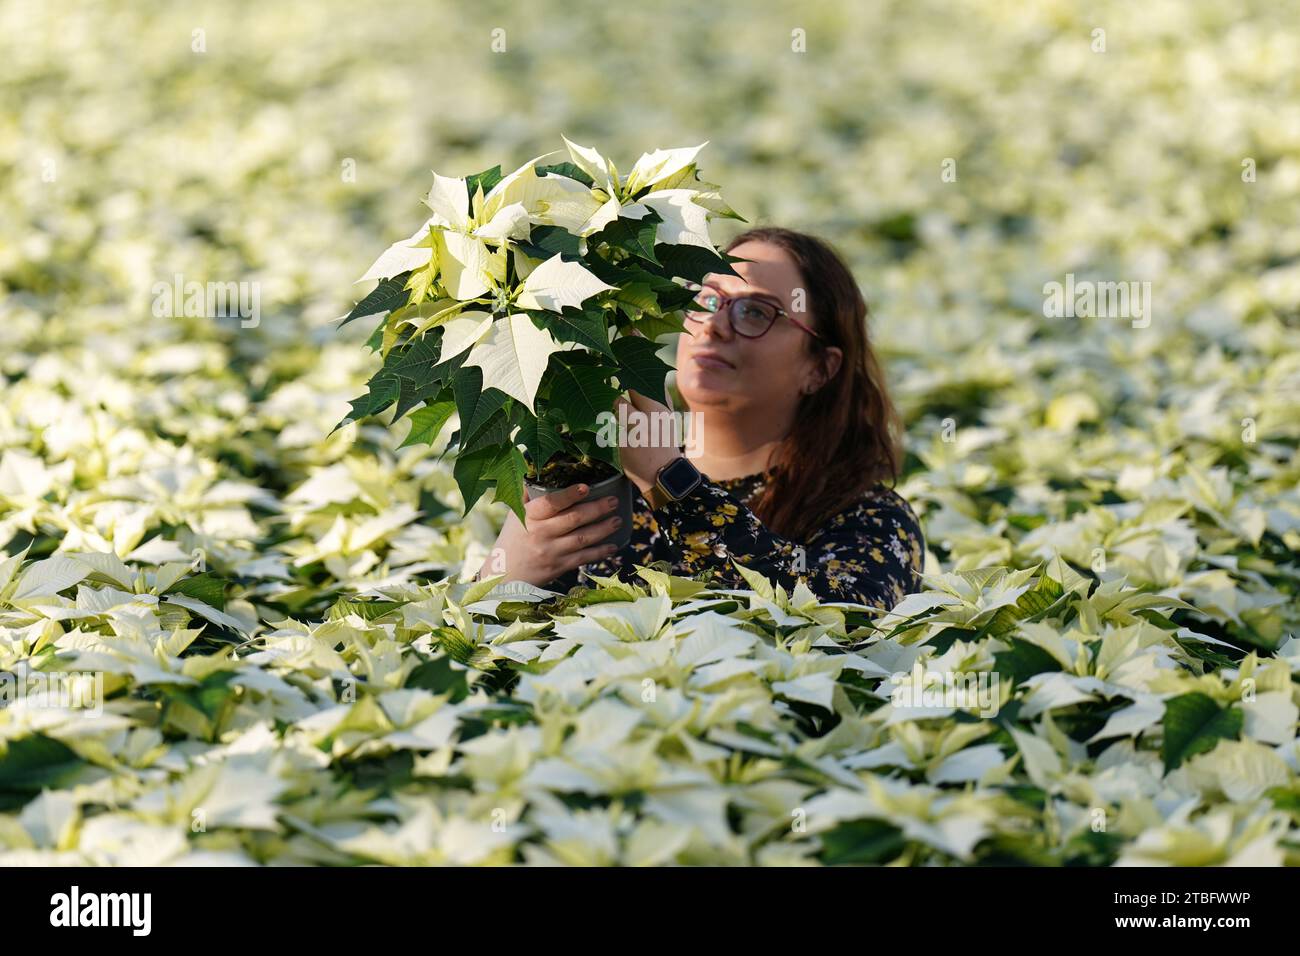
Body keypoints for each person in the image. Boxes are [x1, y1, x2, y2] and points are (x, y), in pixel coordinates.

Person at [475, 226, 926, 611]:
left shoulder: (870, 517)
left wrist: (669, 481)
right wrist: (503, 577)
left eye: (755, 311)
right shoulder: (599, 495)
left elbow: (841, 624)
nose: (713, 326)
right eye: (707, 300)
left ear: (820, 367)